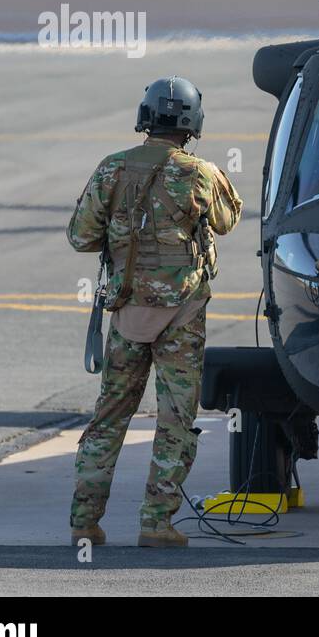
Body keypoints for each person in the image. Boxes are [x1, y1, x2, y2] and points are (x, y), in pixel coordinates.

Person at [67, 77, 243, 548]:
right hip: (182, 317)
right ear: (192, 123)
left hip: (127, 313)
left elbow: (81, 237)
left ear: (145, 119)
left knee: (110, 416)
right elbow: (228, 221)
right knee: (175, 420)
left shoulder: (111, 169)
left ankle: (84, 521)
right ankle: (156, 523)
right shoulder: (201, 174)